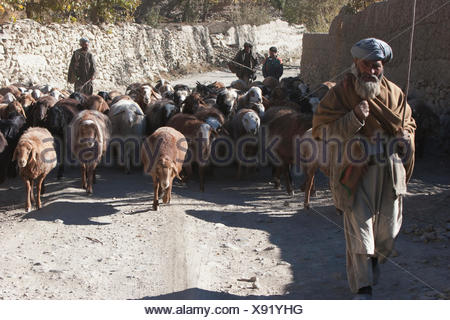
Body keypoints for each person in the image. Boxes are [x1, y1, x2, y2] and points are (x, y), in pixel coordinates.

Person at [312, 38, 416, 299]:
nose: (371, 71)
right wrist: (354, 118)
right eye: (366, 65)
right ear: (356, 64)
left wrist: (407, 138)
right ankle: (363, 288)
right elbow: (321, 133)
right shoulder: (339, 94)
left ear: (383, 67)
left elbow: (409, 124)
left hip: (390, 171)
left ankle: (372, 262)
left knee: (387, 231)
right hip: (354, 171)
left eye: (377, 66)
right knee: (360, 231)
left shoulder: (395, 92)